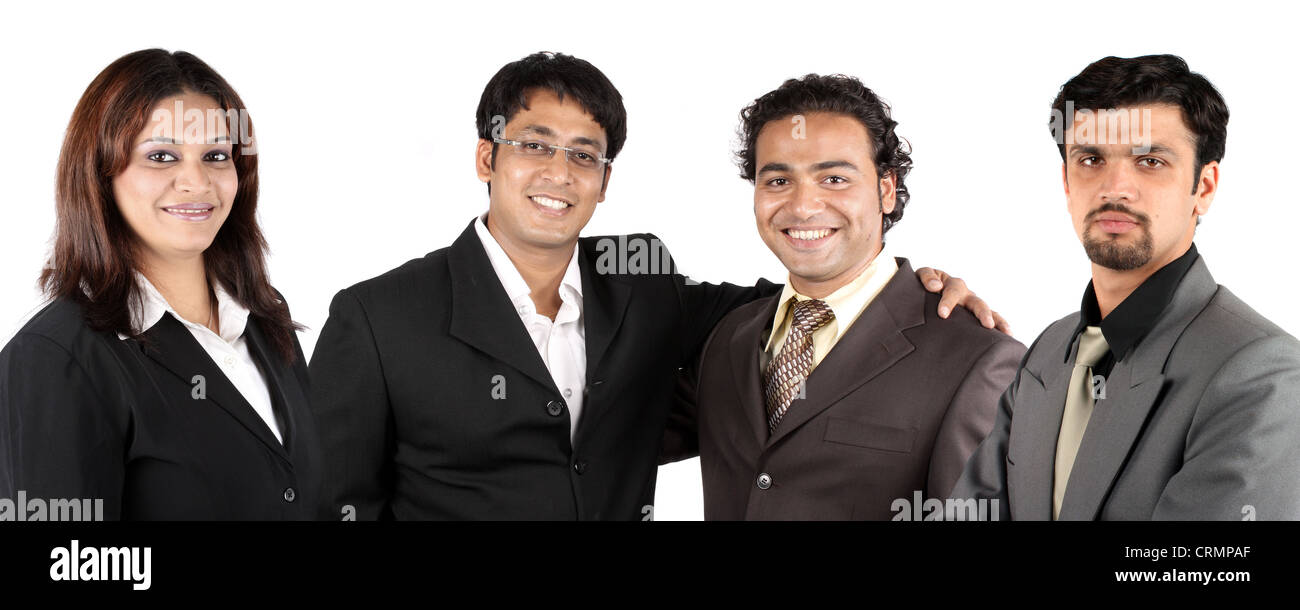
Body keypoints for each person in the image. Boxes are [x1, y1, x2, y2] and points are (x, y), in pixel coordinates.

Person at [309, 52, 1001, 520]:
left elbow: (809, 302)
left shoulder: (642, 285)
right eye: (534, 145)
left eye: (585, 155)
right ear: (487, 157)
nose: (559, 172)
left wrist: (921, 289)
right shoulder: (376, 318)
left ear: (606, 181)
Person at [951, 54, 1300, 520]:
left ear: (1205, 186)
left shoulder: (1261, 373)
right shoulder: (1048, 351)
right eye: (1091, 159)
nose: (1115, 188)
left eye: (1150, 161)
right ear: (1067, 182)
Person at [660, 74, 1025, 520]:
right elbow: (601, 442)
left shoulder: (974, 358)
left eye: (833, 178)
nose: (803, 206)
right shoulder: (728, 337)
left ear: (885, 190)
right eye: (777, 181)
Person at [0, 49, 322, 520]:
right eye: (161, 156)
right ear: (100, 173)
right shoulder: (55, 358)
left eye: (215, 155)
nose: (196, 181)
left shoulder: (265, 317)